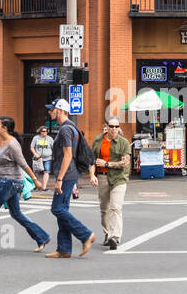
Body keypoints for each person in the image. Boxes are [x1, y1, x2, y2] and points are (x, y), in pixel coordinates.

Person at [0, 116, 49, 254]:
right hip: (11, 181)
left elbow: (23, 163)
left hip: (9, 181)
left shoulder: (12, 144)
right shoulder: (4, 142)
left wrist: (35, 180)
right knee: (16, 213)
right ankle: (42, 237)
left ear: (5, 128)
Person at [45, 98, 95, 259]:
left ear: (60, 110)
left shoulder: (66, 130)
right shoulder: (71, 128)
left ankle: (85, 234)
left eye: (51, 109)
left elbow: (68, 155)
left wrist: (59, 179)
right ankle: (64, 249)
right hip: (70, 174)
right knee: (62, 210)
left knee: (57, 208)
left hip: (66, 175)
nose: (49, 112)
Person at [90, 116, 131, 250]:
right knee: (104, 209)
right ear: (106, 127)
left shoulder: (123, 142)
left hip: (119, 178)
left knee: (115, 207)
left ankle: (115, 237)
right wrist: (92, 175)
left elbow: (125, 163)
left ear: (119, 128)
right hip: (102, 177)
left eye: (116, 126)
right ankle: (108, 234)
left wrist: (107, 164)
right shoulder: (98, 140)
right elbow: (93, 160)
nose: (114, 129)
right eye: (111, 126)